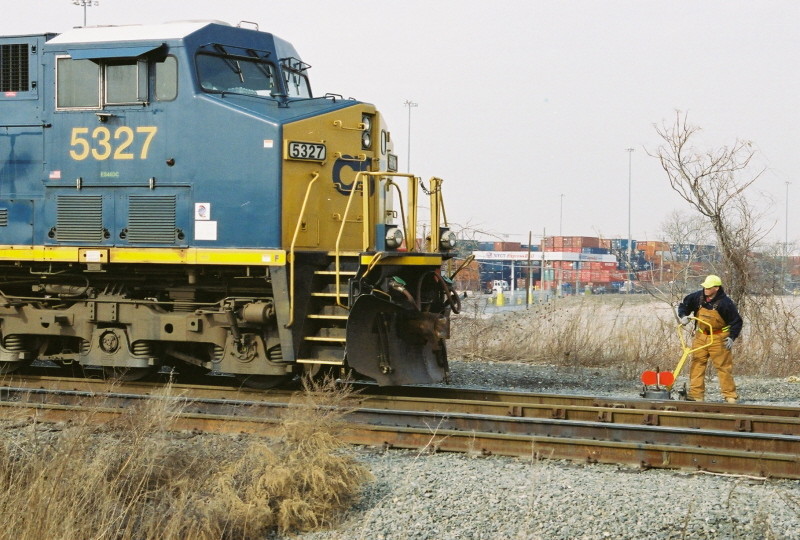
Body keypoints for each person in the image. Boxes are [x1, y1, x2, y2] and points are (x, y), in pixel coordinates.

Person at [677, 274, 743, 403]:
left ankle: (730, 396)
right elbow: (684, 305)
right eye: (705, 287)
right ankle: (696, 395)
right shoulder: (697, 297)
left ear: (716, 288)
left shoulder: (726, 303)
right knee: (697, 364)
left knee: (723, 367)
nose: (705, 289)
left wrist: (731, 337)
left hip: (719, 338)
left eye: (708, 287)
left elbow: (737, 322)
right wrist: (683, 315)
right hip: (701, 336)